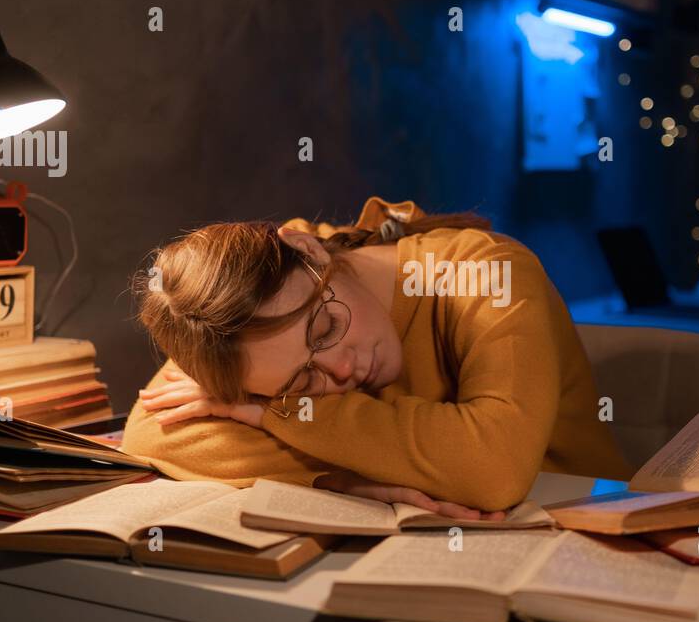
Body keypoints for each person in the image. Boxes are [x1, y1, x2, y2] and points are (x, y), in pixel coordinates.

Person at [123, 196, 633, 520]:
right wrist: (343, 480)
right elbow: (150, 432)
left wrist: (272, 413)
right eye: (299, 382)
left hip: (578, 520)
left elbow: (494, 469)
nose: (342, 371)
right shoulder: (231, 324)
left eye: (326, 328)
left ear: (313, 251)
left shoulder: (485, 271)